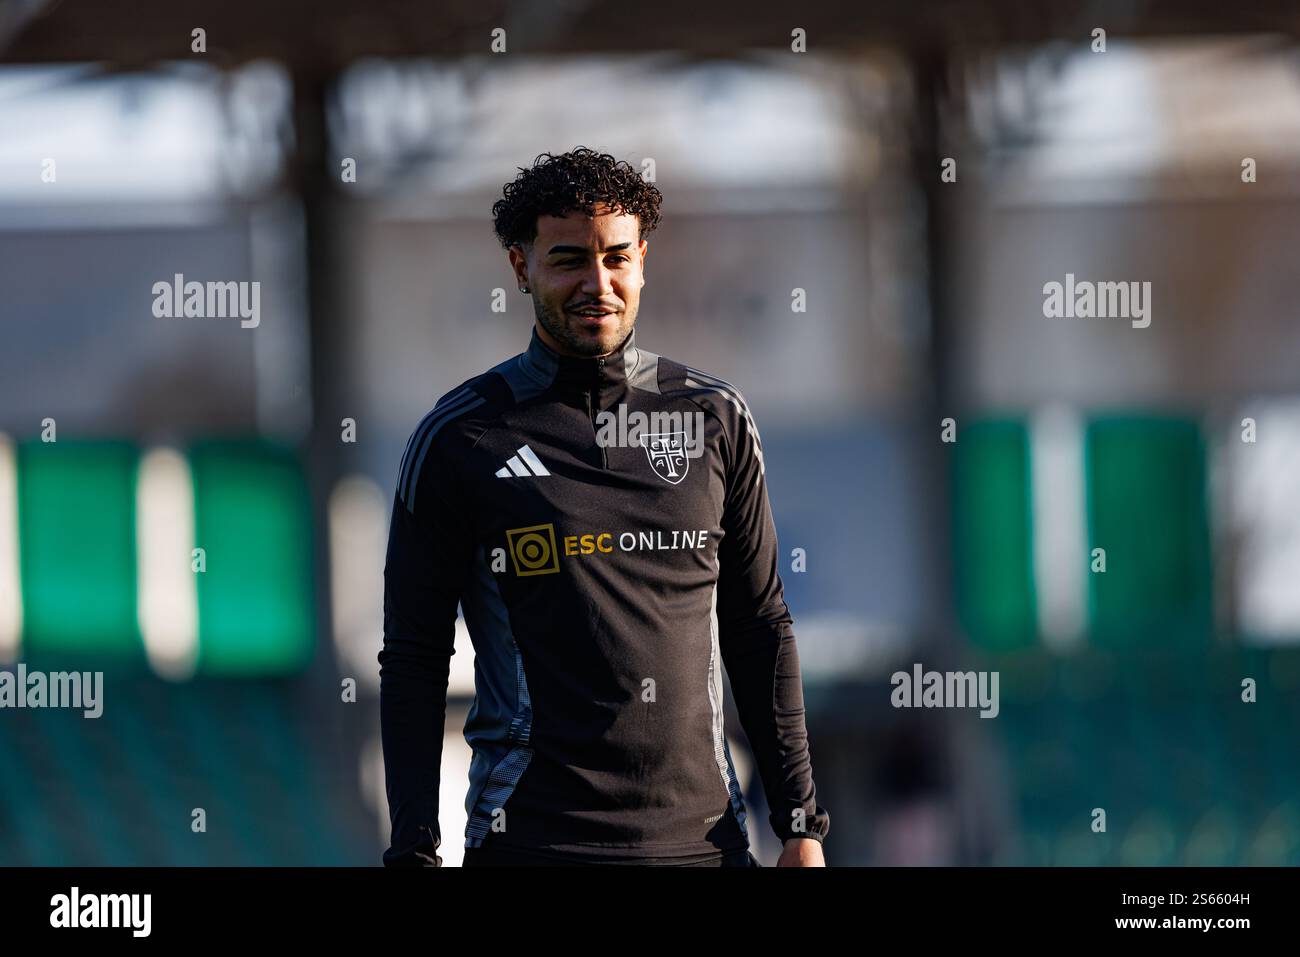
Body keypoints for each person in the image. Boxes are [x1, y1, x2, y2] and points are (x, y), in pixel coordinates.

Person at [379, 147, 828, 867]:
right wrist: (412, 848)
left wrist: (800, 822)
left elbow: (760, 627)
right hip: (533, 843)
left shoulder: (714, 418)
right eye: (568, 261)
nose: (598, 284)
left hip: (705, 847)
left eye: (617, 257)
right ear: (521, 266)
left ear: (642, 259)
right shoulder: (461, 438)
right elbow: (414, 657)